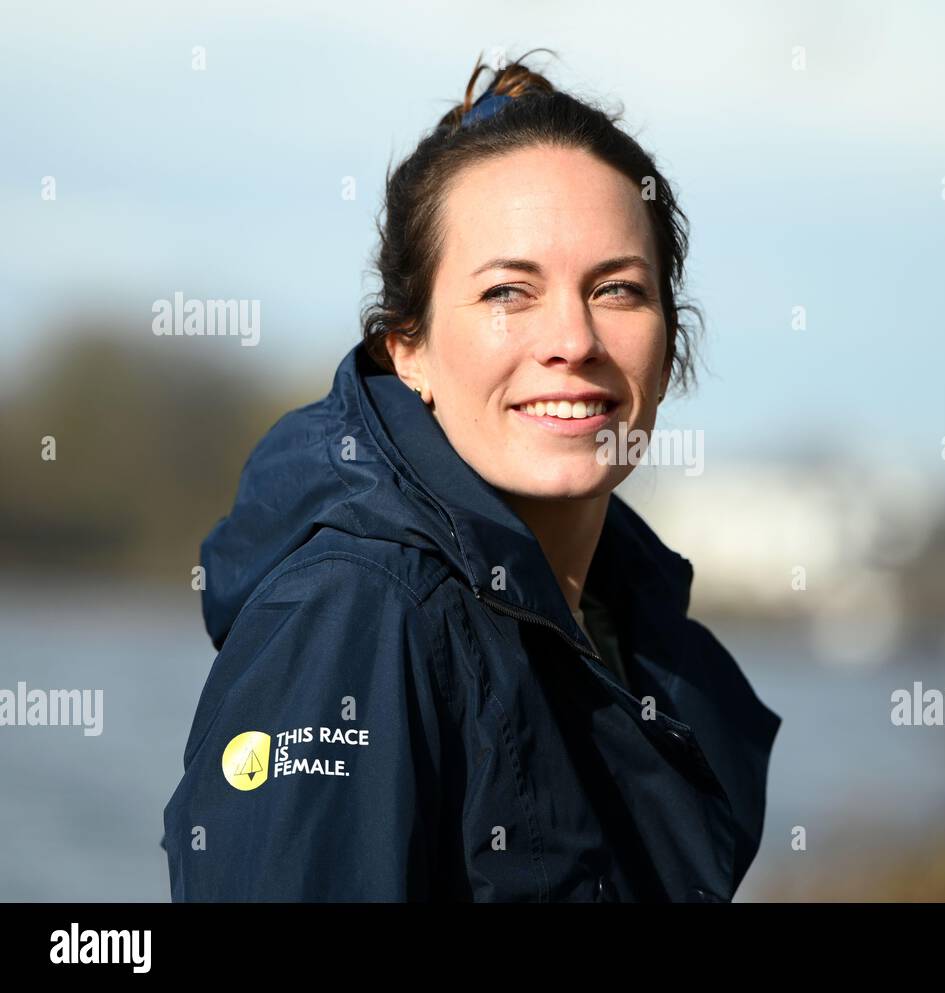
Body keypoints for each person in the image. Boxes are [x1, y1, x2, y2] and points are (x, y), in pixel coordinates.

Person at [161, 49, 782, 902]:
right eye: (507, 293)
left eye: (617, 290)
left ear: (671, 347)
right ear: (406, 348)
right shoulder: (360, 612)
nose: (573, 339)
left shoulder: (627, 634)